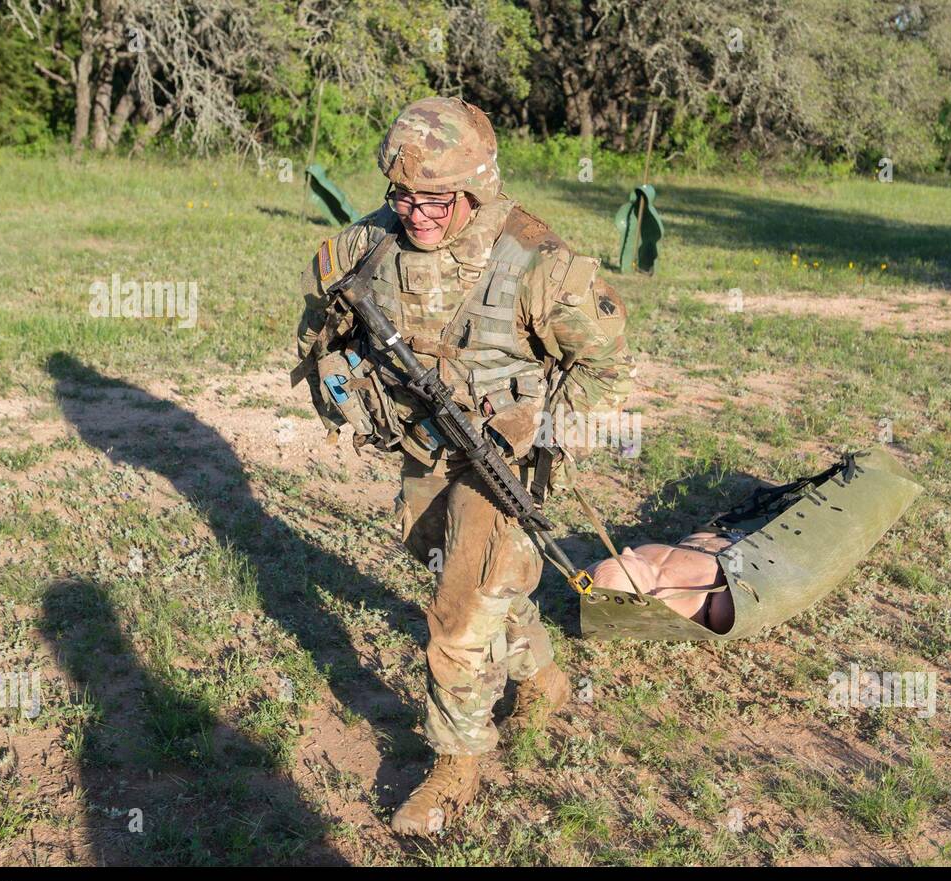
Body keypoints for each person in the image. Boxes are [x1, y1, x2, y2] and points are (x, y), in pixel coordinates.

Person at [295, 97, 634, 836]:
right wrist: (342, 383)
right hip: (424, 448)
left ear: (475, 189)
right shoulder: (369, 247)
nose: (415, 213)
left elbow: (606, 359)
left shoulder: (538, 263)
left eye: (436, 200)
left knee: (456, 617)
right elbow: (322, 324)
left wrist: (552, 440)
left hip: (503, 460)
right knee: (469, 577)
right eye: (404, 196)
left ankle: (455, 763)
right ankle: (541, 674)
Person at [587, 531, 740, 634]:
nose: (627, 550)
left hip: (721, 531)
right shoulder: (710, 606)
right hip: (745, 544)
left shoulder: (639, 561)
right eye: (628, 561)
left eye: (623, 556)